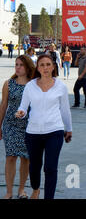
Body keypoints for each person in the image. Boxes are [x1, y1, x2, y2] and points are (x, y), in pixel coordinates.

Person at [16, 54, 72, 199]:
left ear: (53, 67)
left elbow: (65, 110)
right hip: (33, 132)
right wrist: (21, 112)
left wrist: (69, 129)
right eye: (42, 65)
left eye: (48, 64)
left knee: (50, 168)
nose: (45, 67)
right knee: (34, 167)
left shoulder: (61, 87)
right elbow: (23, 106)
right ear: (38, 68)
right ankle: (35, 188)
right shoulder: (30, 86)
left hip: (55, 130)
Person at [0, 55, 35, 199]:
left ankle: (21, 190)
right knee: (10, 157)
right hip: (11, 124)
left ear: (27, 67)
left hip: (29, 126)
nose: (18, 67)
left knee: (26, 158)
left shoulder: (34, 84)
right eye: (16, 64)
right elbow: (3, 106)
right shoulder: (9, 83)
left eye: (21, 65)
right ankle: (9, 192)